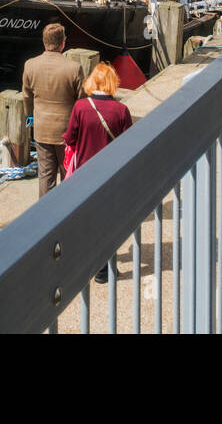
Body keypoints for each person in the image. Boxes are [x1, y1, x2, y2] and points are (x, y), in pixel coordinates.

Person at [62, 63, 134, 283]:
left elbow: (70, 138)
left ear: (92, 81)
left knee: (87, 218)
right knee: (108, 221)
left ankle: (86, 262)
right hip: (111, 172)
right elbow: (129, 143)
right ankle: (104, 269)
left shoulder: (81, 107)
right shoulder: (121, 111)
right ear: (113, 83)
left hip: (85, 170)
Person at [22, 23, 83, 197]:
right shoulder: (74, 68)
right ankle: (67, 213)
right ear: (63, 43)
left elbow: (27, 96)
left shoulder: (30, 65)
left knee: (46, 177)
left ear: (44, 42)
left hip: (42, 131)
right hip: (67, 132)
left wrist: (31, 116)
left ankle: (45, 216)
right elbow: (82, 101)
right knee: (69, 174)